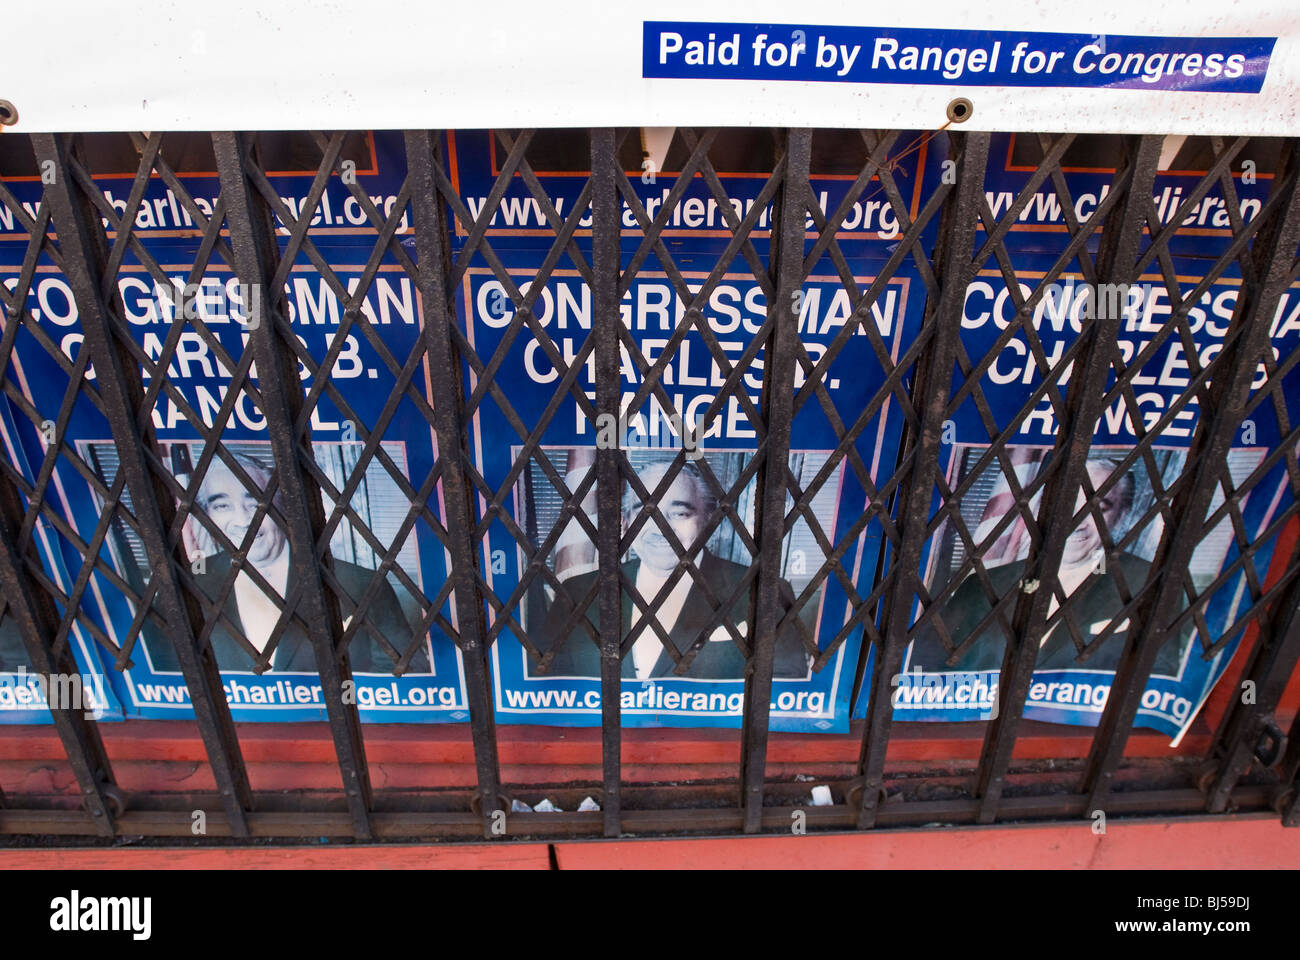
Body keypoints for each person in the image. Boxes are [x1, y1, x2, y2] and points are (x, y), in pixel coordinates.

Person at [908, 456, 1187, 675]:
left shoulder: (1148, 583)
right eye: (1067, 504)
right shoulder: (983, 585)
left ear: (1122, 516)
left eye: (1097, 508)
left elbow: (1159, 674)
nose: (1076, 520)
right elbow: (927, 666)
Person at [153, 453, 425, 674]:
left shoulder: (359, 584)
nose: (244, 520)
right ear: (207, 516)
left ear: (282, 506)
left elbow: (404, 673)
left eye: (256, 503)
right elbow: (168, 673)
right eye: (222, 506)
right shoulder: (184, 586)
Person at [535, 461, 809, 679]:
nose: (659, 529)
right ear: (626, 523)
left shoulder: (763, 591)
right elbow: (545, 683)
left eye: (679, 513)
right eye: (644, 514)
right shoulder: (578, 593)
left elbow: (786, 685)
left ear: (707, 522)